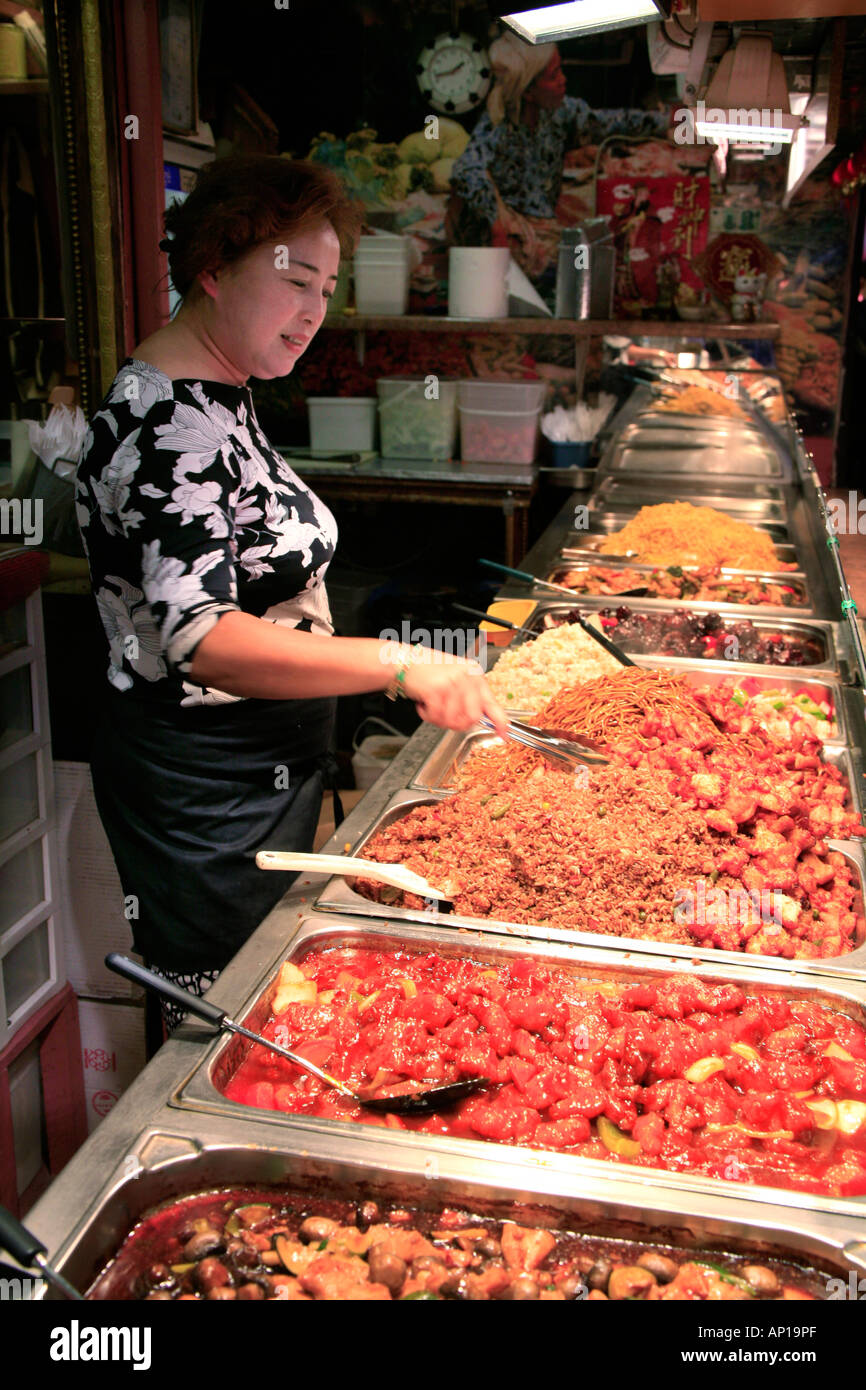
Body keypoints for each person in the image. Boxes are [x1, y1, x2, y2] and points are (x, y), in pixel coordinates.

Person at [75, 155, 508, 1033]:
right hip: (206, 784)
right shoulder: (168, 426)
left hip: (257, 763)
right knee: (227, 1024)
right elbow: (205, 638)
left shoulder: (223, 388)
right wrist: (398, 662)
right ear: (213, 268)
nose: (313, 311)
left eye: (327, 287)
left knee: (271, 995)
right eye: (293, 282)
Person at [450, 36, 669, 281]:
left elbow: (605, 122)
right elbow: (465, 170)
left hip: (545, 227)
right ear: (529, 92)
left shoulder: (560, 114)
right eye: (554, 75)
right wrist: (496, 223)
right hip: (510, 237)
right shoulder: (498, 124)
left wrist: (667, 123)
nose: (563, 80)